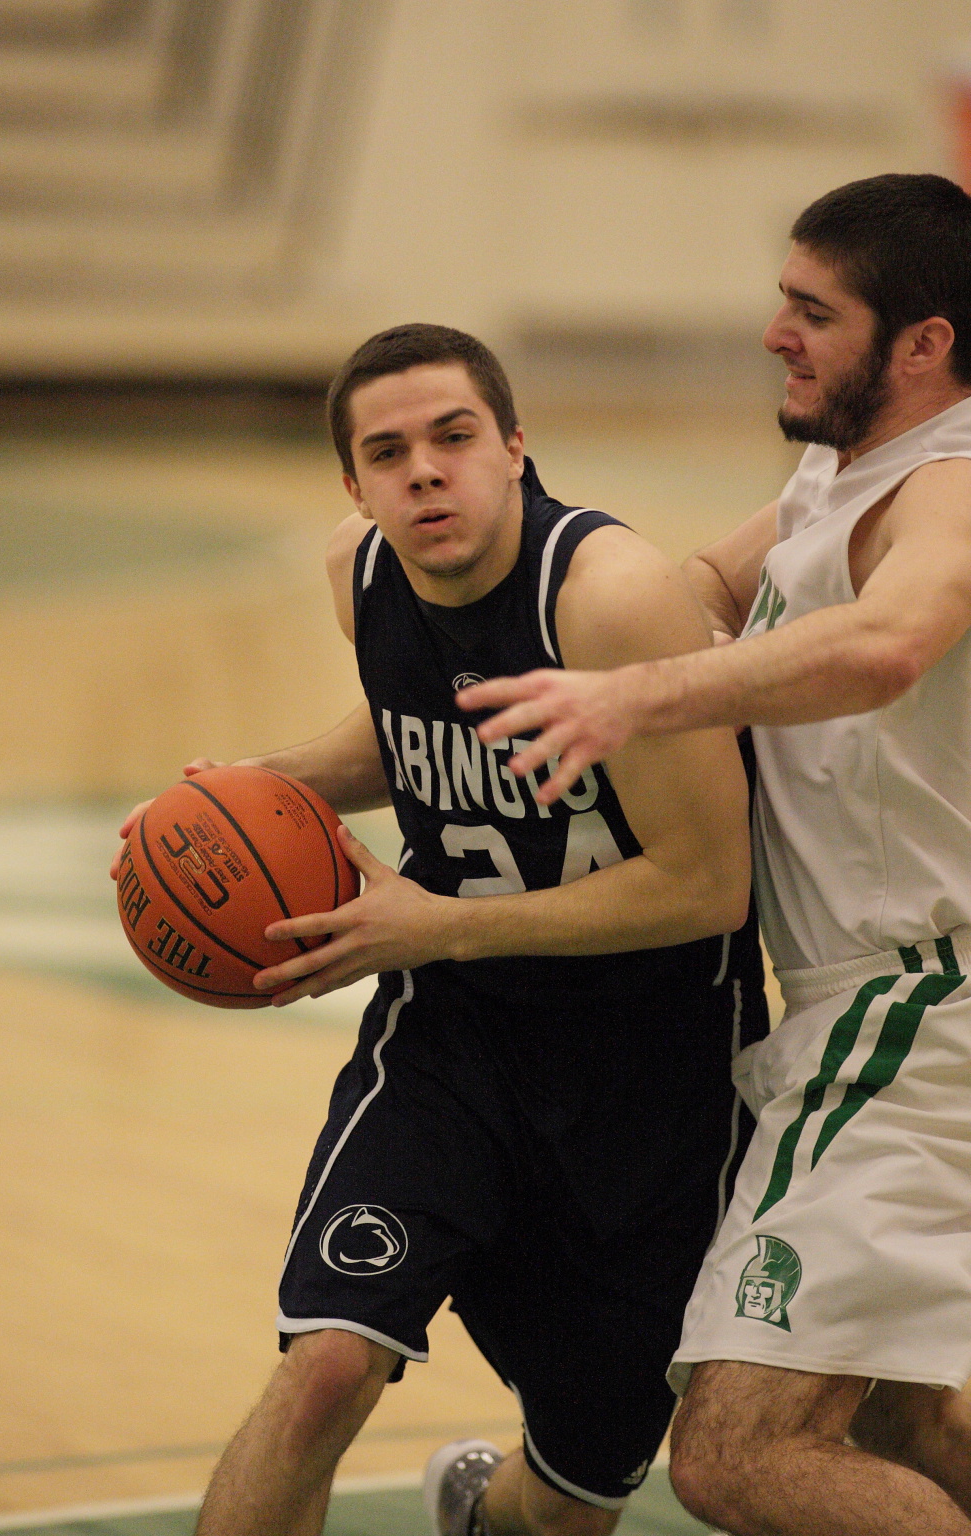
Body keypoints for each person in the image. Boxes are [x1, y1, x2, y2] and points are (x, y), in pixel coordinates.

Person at [115, 323, 768, 1536]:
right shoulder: (361, 575)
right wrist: (234, 798)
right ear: (353, 485)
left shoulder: (610, 600)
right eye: (388, 452)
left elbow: (705, 887)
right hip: (454, 1047)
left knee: (570, 1502)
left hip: (655, 1083)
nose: (423, 471)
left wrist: (434, 927)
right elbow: (413, 721)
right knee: (325, 1365)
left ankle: (477, 1511)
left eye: (453, 437)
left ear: (515, 446)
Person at [461, 174, 971, 1535]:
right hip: (896, 1002)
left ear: (922, 344)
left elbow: (889, 643)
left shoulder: (950, 487)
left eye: (814, 311)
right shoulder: (841, 468)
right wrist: (511, 611)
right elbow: (693, 593)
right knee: (906, 1419)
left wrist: (631, 699)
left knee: (739, 1455)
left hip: (914, 1014)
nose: (772, 332)